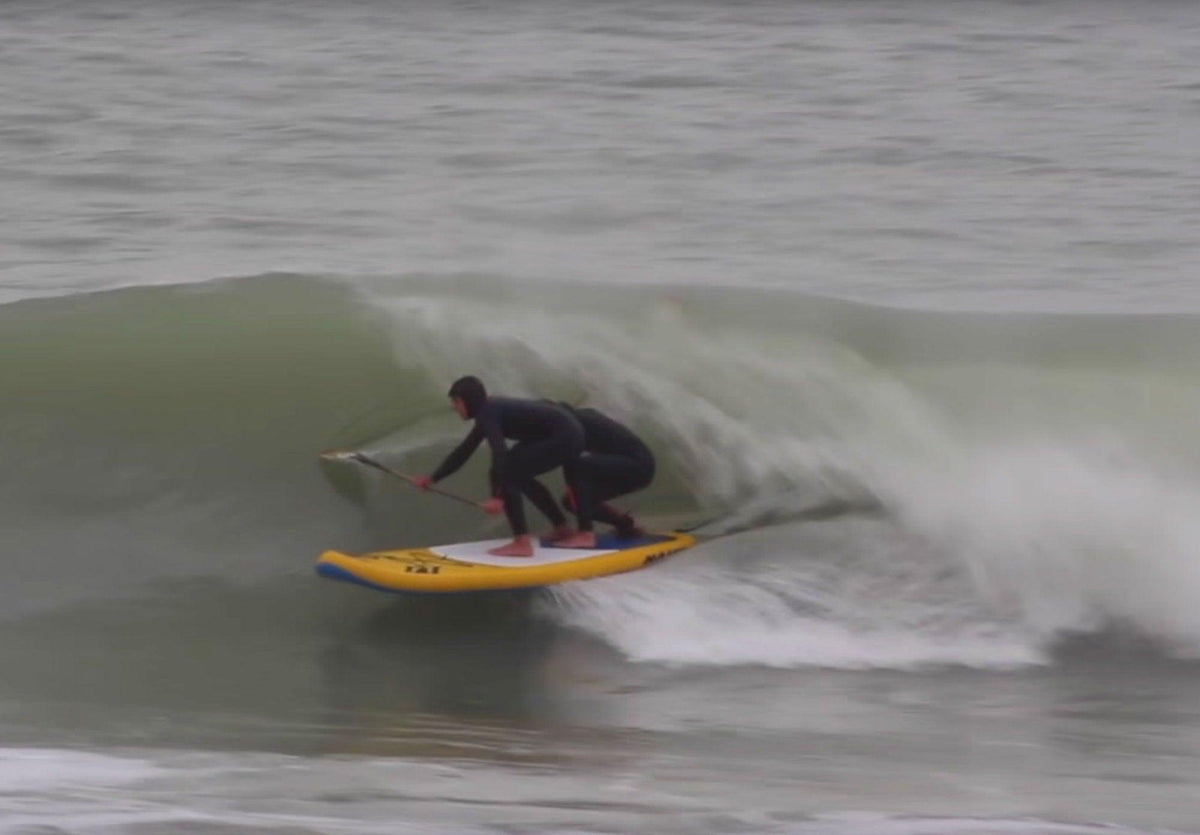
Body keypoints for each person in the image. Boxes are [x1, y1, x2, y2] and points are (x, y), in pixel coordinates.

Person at [413, 376, 584, 557]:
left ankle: (522, 543)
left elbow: (499, 452)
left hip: (565, 436)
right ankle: (562, 528)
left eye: (456, 402)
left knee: (508, 470)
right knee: (517, 473)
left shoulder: (489, 412)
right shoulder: (489, 410)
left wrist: (497, 496)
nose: (454, 407)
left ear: (466, 401)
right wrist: (433, 478)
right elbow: (464, 451)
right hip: (569, 434)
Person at [552, 404, 656, 549]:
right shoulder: (578, 417)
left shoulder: (570, 424)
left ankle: (585, 534)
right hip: (635, 467)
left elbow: (571, 464)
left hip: (638, 465)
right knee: (570, 501)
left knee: (578, 466)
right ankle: (625, 524)